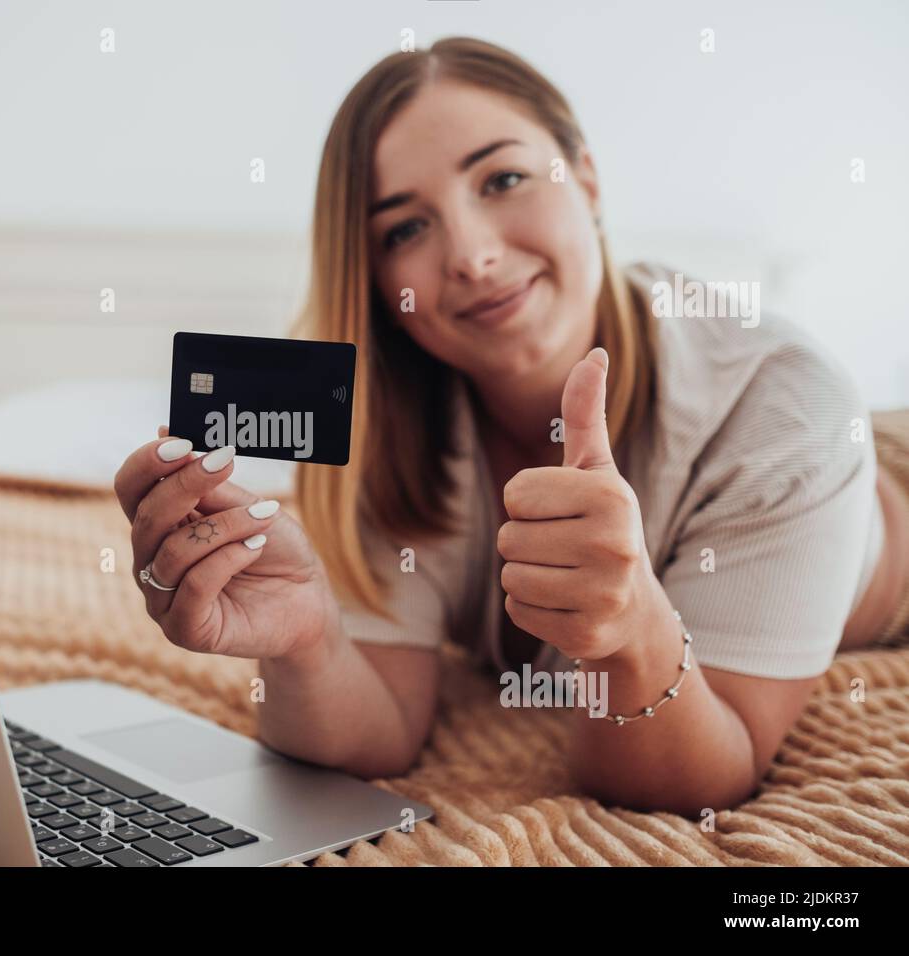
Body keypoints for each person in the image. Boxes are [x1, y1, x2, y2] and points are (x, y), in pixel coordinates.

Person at [112, 37, 909, 816]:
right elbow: (380, 731)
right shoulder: (386, 416)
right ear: (376, 273)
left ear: (588, 180)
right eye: (404, 229)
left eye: (504, 178)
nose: (471, 256)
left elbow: (702, 775)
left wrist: (632, 630)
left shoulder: (785, 407)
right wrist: (307, 642)